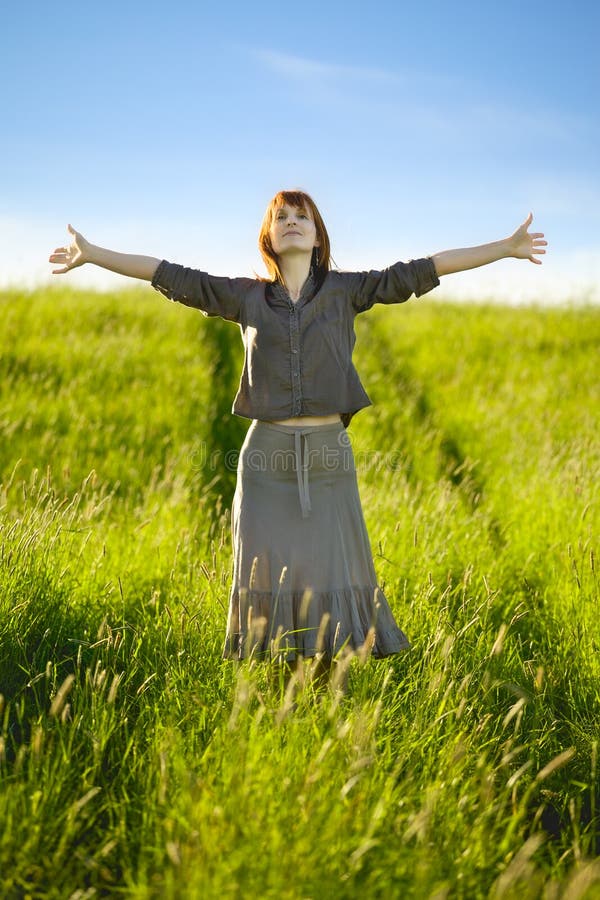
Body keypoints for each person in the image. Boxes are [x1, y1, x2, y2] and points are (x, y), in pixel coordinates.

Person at [49, 190, 546, 682]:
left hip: (330, 462)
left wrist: (503, 247)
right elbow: (168, 275)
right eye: (280, 216)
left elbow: (425, 268)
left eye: (301, 216)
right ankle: (283, 711)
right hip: (266, 464)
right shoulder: (245, 296)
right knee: (276, 598)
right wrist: (93, 255)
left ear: (317, 235)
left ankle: (332, 709)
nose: (291, 221)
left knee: (332, 590)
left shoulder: (346, 290)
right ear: (268, 234)